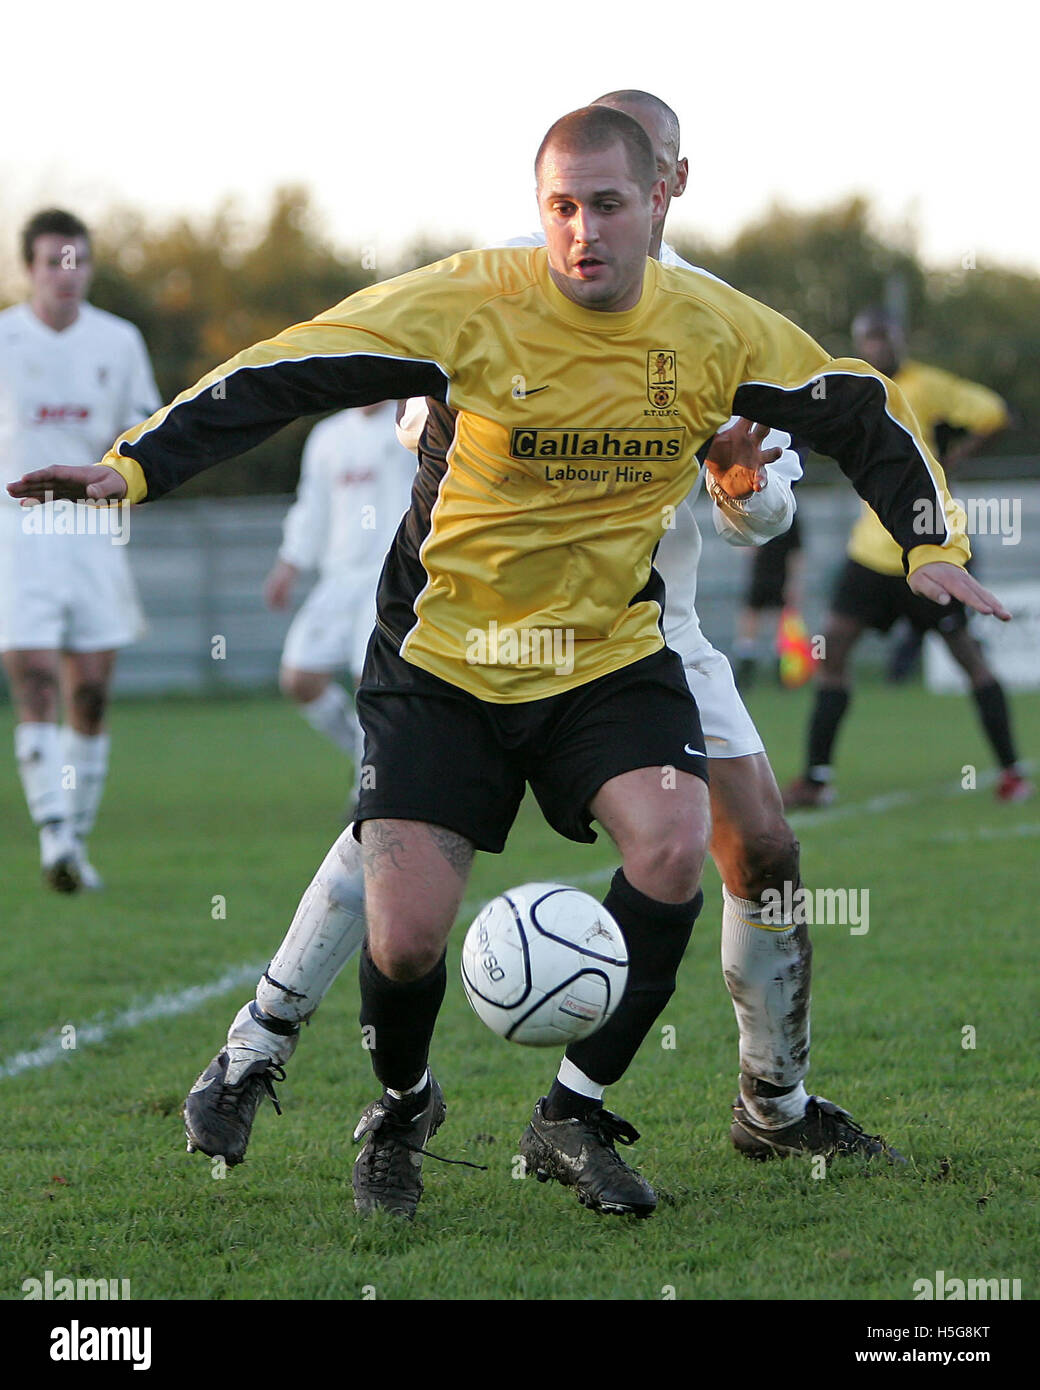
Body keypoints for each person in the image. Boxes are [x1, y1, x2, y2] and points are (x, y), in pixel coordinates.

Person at [11, 108, 1007, 1223]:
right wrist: (135, 467)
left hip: (618, 645)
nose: (582, 230)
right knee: (403, 930)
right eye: (561, 207)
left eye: (607, 204)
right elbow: (288, 368)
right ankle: (390, 1101)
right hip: (452, 651)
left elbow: (856, 408)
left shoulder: (715, 325)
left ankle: (589, 1110)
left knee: (693, 846)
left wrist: (927, 540)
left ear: (661, 197)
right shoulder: (469, 302)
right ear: (541, 207)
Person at [783, 307, 1030, 809]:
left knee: (968, 657)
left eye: (882, 337)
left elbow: (996, 412)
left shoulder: (929, 385)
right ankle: (816, 778)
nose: (875, 346)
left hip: (929, 550)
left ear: (899, 338)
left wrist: (955, 456)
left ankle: (1012, 772)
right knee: (833, 649)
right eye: (867, 338)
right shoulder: (854, 383)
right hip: (872, 552)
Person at [0, 208, 160, 891]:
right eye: (52, 263)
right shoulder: (4, 338)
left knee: (89, 691)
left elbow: (144, 427)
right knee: (34, 678)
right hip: (18, 533)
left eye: (78, 262)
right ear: (28, 269)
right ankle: (54, 836)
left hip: (95, 533)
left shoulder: (118, 340)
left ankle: (76, 838)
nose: (67, 276)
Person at [264, 401, 416, 792]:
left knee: (369, 680)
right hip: (338, 577)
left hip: (389, 575)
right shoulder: (327, 437)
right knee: (299, 677)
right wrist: (289, 564)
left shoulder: (408, 427)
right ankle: (366, 754)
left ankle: (367, 791)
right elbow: (311, 507)